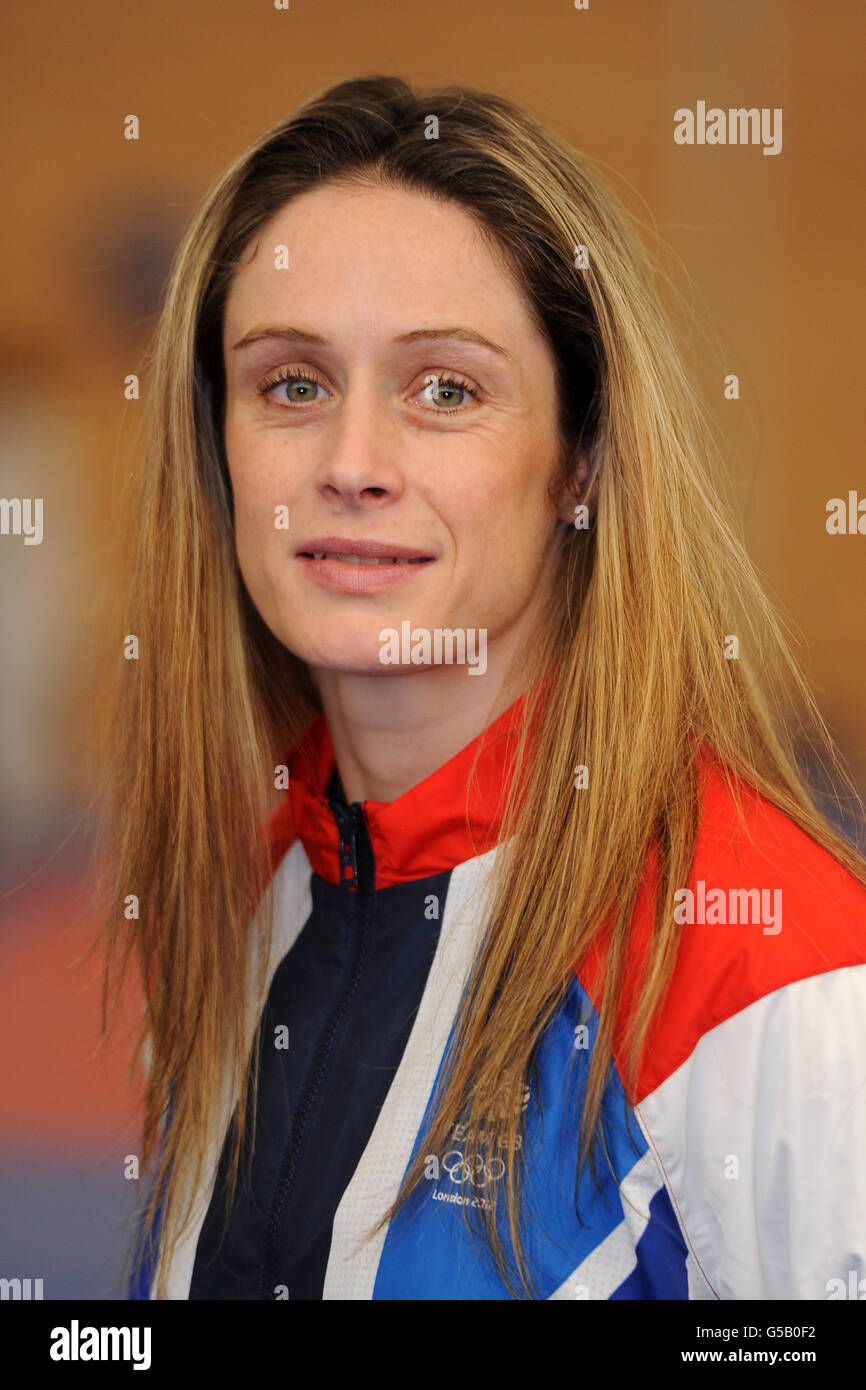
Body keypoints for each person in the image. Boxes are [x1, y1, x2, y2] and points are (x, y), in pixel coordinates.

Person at [96, 74, 866, 1301]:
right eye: (290, 383)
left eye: (443, 389)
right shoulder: (248, 906)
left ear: (580, 461)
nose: (351, 464)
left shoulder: (762, 963)